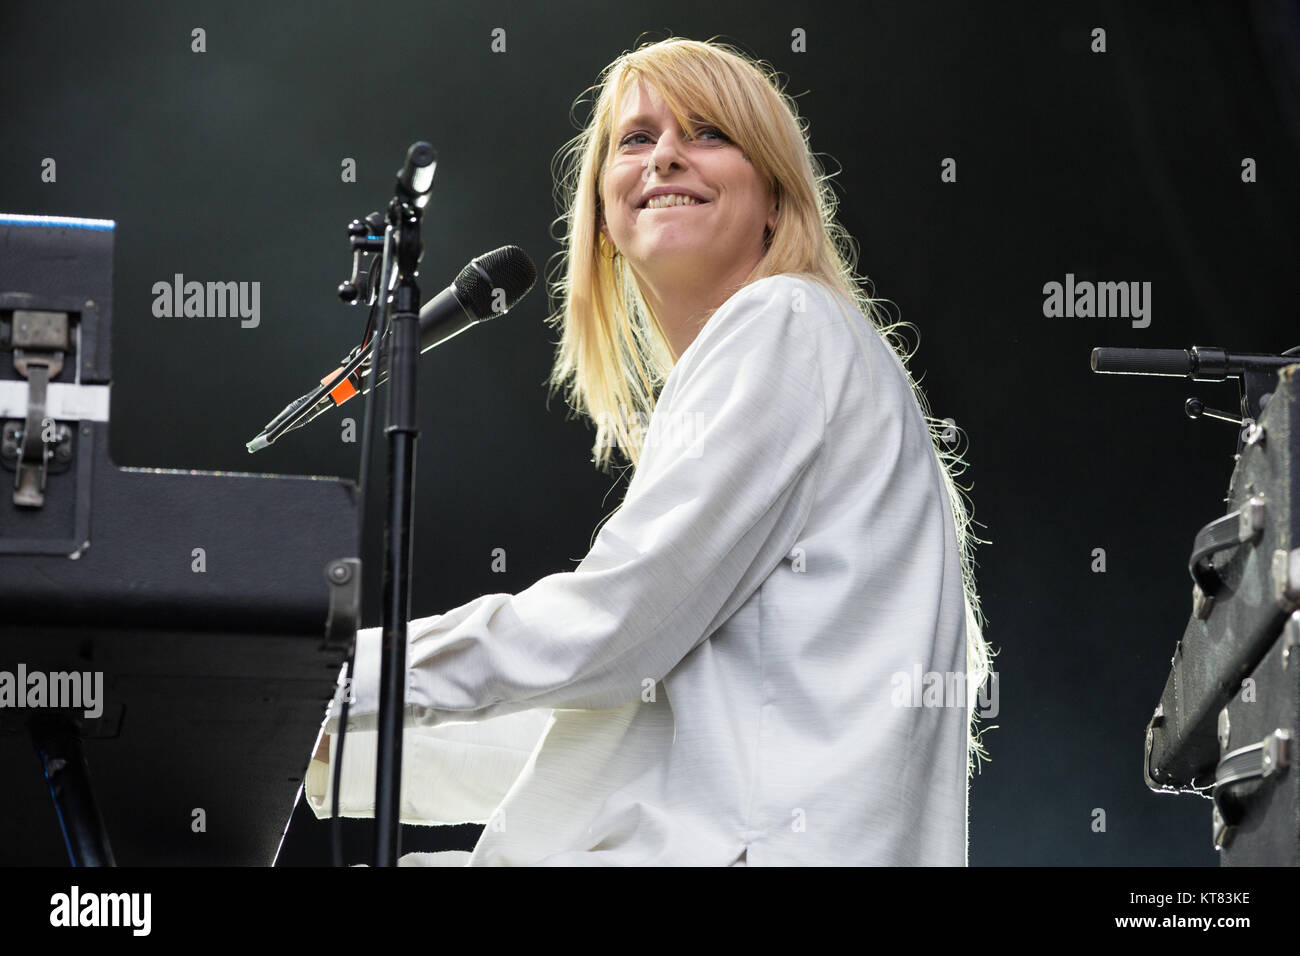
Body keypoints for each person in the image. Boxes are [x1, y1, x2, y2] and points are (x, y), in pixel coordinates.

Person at [304, 35, 993, 866]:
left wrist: (330, 677)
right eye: (636, 140)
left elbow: (609, 630)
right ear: (600, 210)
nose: (666, 155)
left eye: (709, 133)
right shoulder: (791, 350)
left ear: (776, 196)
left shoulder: (784, 323)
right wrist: (326, 736)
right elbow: (627, 719)